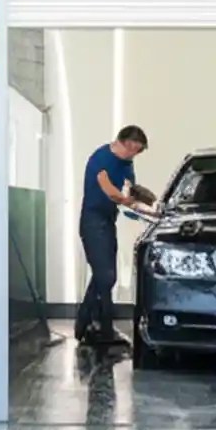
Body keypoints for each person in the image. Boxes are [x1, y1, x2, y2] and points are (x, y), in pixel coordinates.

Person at [75, 125, 152, 346]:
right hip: (92, 221)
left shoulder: (127, 164)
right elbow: (108, 188)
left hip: (108, 222)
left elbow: (130, 189)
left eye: (137, 151)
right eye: (132, 149)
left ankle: (88, 325)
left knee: (107, 275)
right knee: (105, 276)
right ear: (122, 142)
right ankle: (101, 329)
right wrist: (126, 200)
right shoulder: (101, 158)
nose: (133, 154)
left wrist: (149, 205)